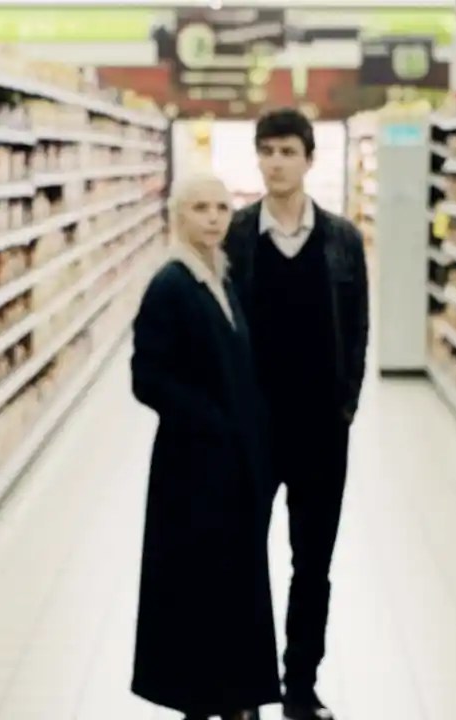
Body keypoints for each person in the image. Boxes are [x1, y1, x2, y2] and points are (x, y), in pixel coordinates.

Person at [223, 108, 369, 720]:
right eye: (267, 151)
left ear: (310, 159)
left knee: (313, 566)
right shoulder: (234, 235)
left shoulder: (342, 238)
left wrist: (345, 407)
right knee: (241, 561)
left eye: (287, 151)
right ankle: (243, 689)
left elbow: (357, 329)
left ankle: (299, 688)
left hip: (319, 433)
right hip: (252, 431)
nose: (276, 162)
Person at [129, 173, 280, 720]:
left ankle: (235, 695)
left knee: (231, 583)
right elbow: (147, 377)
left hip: (231, 469)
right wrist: (213, 425)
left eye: (221, 207)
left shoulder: (221, 277)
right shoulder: (170, 284)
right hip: (192, 473)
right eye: (200, 208)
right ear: (178, 215)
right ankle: (208, 697)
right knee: (201, 587)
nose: (214, 217)